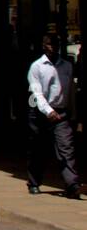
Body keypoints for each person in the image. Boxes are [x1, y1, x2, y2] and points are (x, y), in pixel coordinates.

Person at [27, 33, 80, 199]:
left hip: (61, 113)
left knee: (66, 149)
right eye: (50, 44)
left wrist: (73, 113)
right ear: (44, 46)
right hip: (41, 113)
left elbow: (70, 90)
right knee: (39, 149)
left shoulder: (67, 66)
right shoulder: (37, 67)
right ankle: (34, 182)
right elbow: (36, 93)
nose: (53, 47)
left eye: (56, 44)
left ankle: (72, 185)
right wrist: (48, 111)